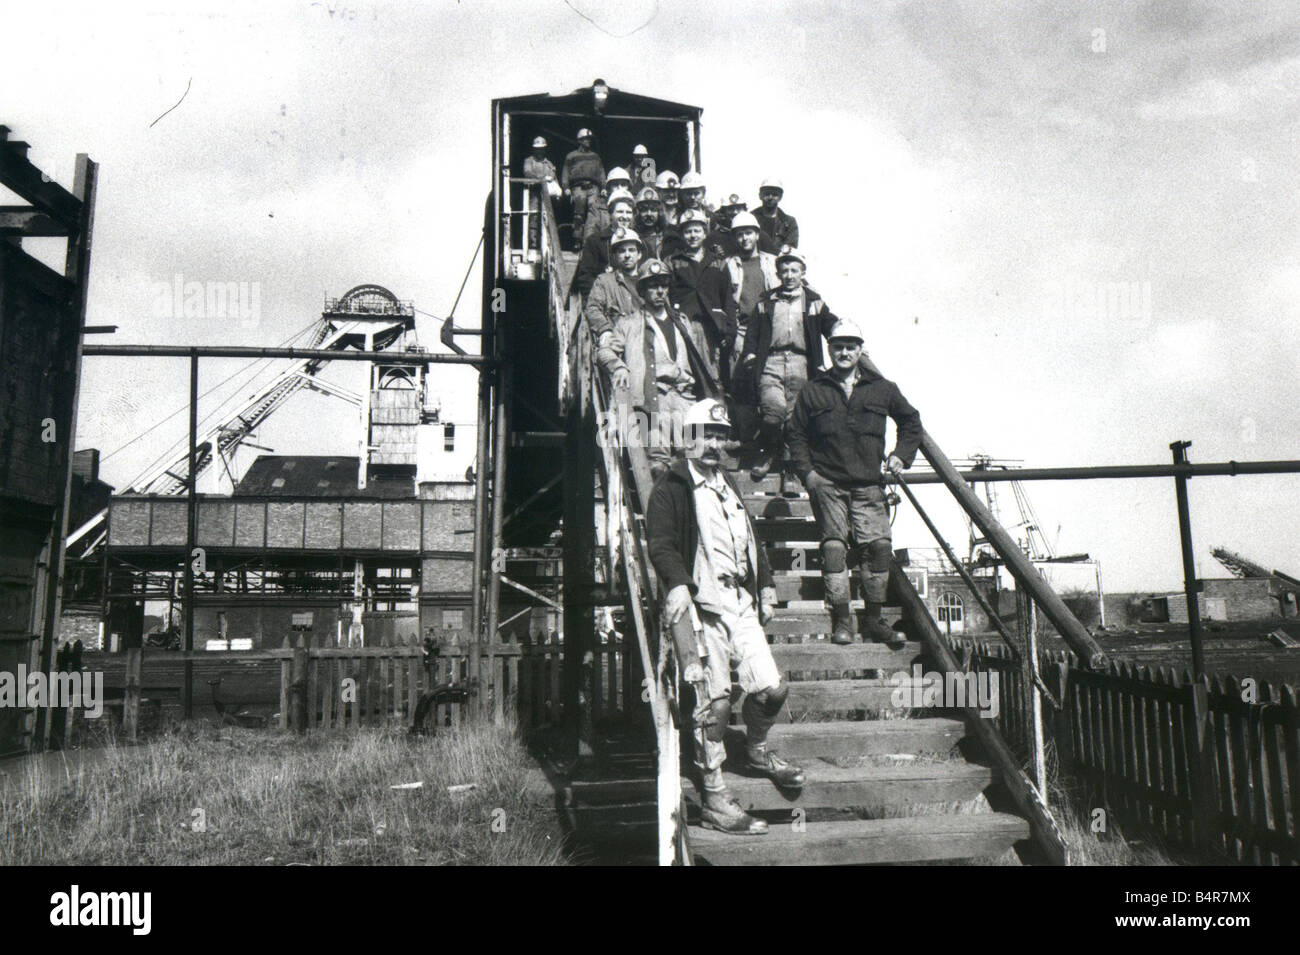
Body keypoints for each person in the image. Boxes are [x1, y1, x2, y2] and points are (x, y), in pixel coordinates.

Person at [646, 397, 806, 835]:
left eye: (720, 436)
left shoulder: (727, 482)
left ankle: (755, 749)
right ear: (688, 438)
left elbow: (749, 538)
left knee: (772, 690)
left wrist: (767, 583)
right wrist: (677, 582)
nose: (714, 444)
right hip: (702, 606)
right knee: (712, 706)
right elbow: (660, 544)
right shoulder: (672, 486)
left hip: (741, 603)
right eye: (706, 435)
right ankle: (715, 797)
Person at [787, 319, 923, 645]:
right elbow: (795, 434)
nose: (844, 352)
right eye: (838, 347)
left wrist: (900, 456)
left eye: (851, 346)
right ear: (830, 350)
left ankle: (874, 621)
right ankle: (843, 621)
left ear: (861, 350)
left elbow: (910, 420)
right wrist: (809, 475)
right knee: (834, 548)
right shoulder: (814, 390)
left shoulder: (883, 388)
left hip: (869, 484)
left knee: (878, 548)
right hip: (828, 483)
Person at [597, 260, 716, 477]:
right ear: (642, 291)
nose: (660, 291)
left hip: (685, 398)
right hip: (653, 398)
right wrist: (619, 366)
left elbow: (699, 362)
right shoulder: (629, 323)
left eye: (663, 284)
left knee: (693, 459)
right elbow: (605, 351)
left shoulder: (682, 322)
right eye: (653, 286)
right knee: (658, 463)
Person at [738, 246, 835, 481]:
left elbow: (832, 325)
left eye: (794, 270)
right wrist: (750, 354)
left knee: (795, 421)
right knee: (773, 414)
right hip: (772, 362)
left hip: (802, 365)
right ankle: (769, 450)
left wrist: (848, 338)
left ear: (803, 272)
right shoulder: (766, 302)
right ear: (779, 274)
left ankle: (790, 472)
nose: (789, 275)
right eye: (785, 271)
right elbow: (752, 333)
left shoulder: (814, 302)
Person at [667, 208, 734, 389]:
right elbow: (668, 294)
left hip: (712, 327)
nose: (692, 235)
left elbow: (727, 297)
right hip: (684, 326)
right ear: (681, 235)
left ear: (705, 233)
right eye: (688, 231)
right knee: (687, 377)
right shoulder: (674, 262)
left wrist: (729, 330)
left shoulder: (717, 262)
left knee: (713, 377)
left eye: (697, 230)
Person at [723, 212, 779, 380]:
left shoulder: (773, 262)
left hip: (769, 327)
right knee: (740, 378)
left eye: (748, 233)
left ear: (756, 235)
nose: (744, 238)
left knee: (768, 377)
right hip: (742, 330)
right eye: (739, 234)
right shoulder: (728, 264)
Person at [583, 225, 644, 349]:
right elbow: (592, 308)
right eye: (622, 251)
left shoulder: (648, 281)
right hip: (618, 341)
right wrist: (605, 330)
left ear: (639, 254)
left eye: (631, 250)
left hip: (645, 339)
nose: (627, 255)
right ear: (615, 256)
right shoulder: (604, 281)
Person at [570, 188, 636, 299]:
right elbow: (586, 278)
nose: (625, 216)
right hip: (605, 301)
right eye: (620, 212)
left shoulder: (638, 241)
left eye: (628, 212)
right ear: (610, 213)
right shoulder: (595, 241)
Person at [561, 129, 605, 250]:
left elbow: (601, 172)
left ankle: (590, 242)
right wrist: (566, 187)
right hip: (578, 187)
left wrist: (603, 187)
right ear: (580, 141)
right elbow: (565, 173)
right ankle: (577, 240)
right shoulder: (571, 156)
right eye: (586, 139)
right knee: (578, 215)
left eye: (590, 139)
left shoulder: (595, 156)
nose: (588, 141)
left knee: (593, 213)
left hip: (593, 187)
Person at [523, 136, 559, 248]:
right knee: (533, 216)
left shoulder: (549, 163)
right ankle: (533, 243)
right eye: (537, 148)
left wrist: (558, 192)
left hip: (547, 196)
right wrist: (543, 178)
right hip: (534, 193)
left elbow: (554, 178)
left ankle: (547, 243)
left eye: (542, 148)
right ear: (534, 149)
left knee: (548, 218)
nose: (539, 150)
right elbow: (527, 173)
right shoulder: (529, 161)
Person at [634, 186, 684, 262]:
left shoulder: (671, 236)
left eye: (653, 210)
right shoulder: (634, 237)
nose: (649, 214)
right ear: (637, 213)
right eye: (644, 210)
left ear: (659, 212)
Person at [752, 178, 799, 250]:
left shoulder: (789, 222)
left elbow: (790, 247)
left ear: (780, 197)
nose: (770, 197)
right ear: (760, 195)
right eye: (767, 194)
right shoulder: (751, 218)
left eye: (774, 194)